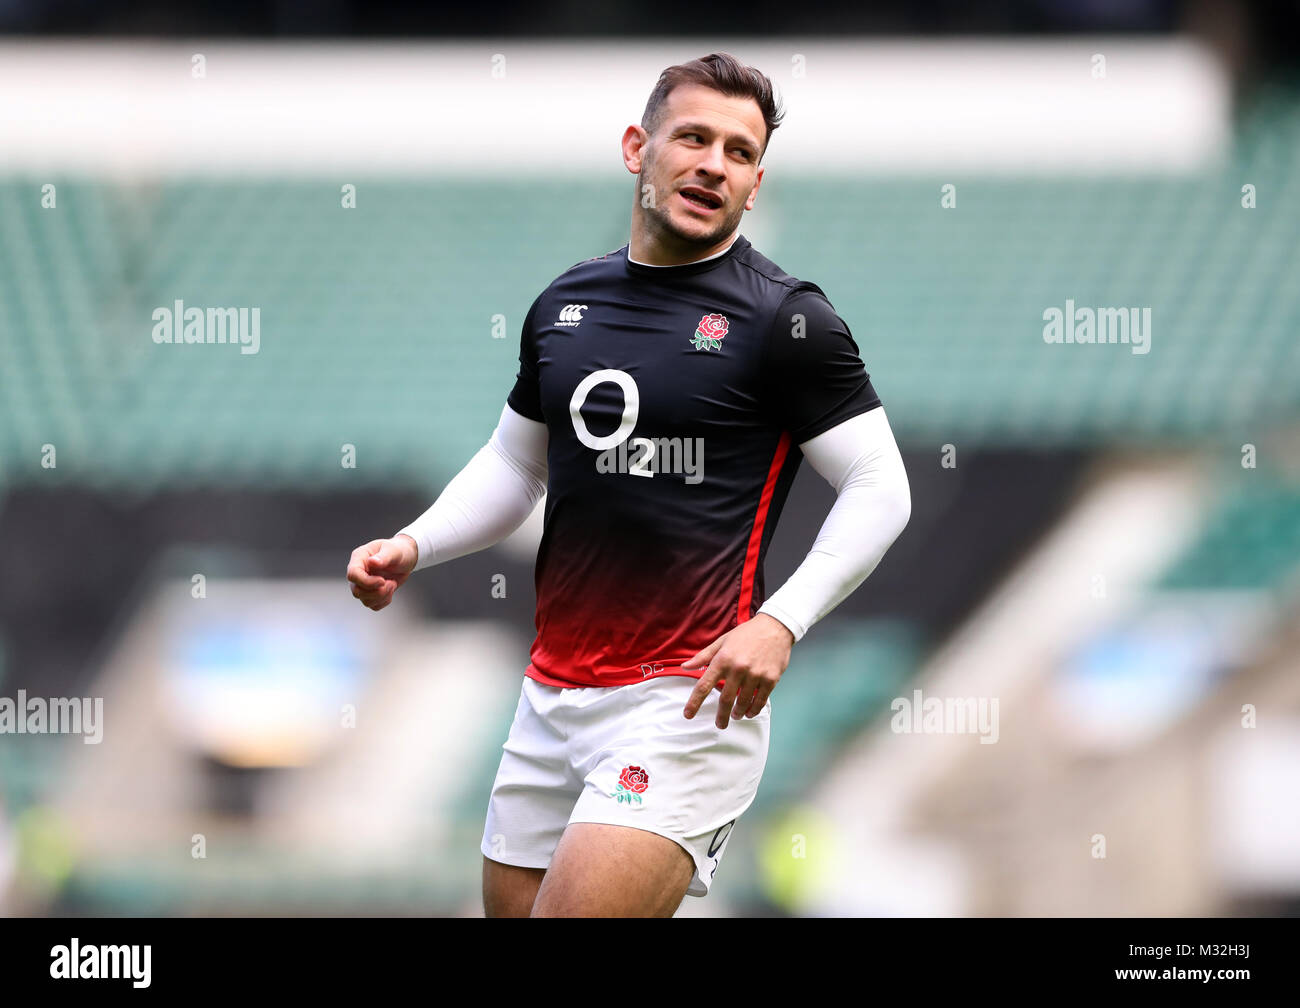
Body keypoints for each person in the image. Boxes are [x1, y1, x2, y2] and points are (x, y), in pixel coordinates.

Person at [346, 52, 911, 917]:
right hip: (550, 695)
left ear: (756, 184)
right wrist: (414, 544)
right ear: (636, 147)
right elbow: (515, 465)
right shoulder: (565, 304)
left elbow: (880, 484)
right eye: (693, 137)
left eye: (738, 151)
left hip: (682, 704)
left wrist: (779, 622)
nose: (712, 164)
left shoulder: (786, 320)